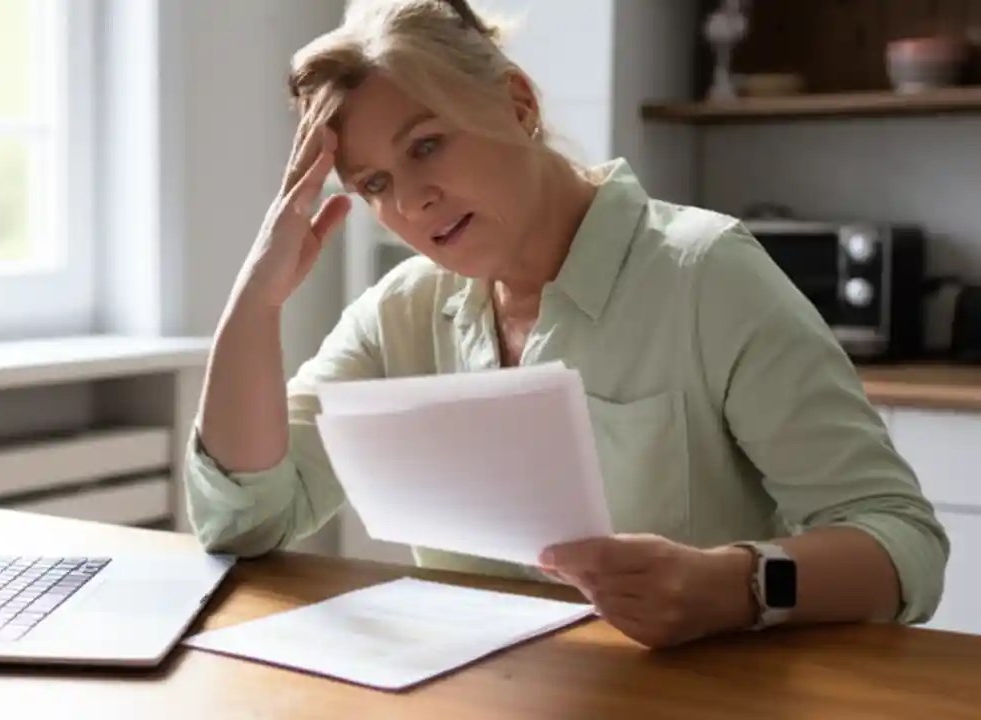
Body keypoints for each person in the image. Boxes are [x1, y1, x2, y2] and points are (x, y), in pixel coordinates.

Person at [183, 0, 948, 648]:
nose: (411, 201)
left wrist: (736, 585)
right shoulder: (399, 314)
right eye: (375, 183)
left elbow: (903, 544)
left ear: (519, 104)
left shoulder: (706, 275)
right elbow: (245, 520)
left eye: (427, 145)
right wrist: (258, 297)